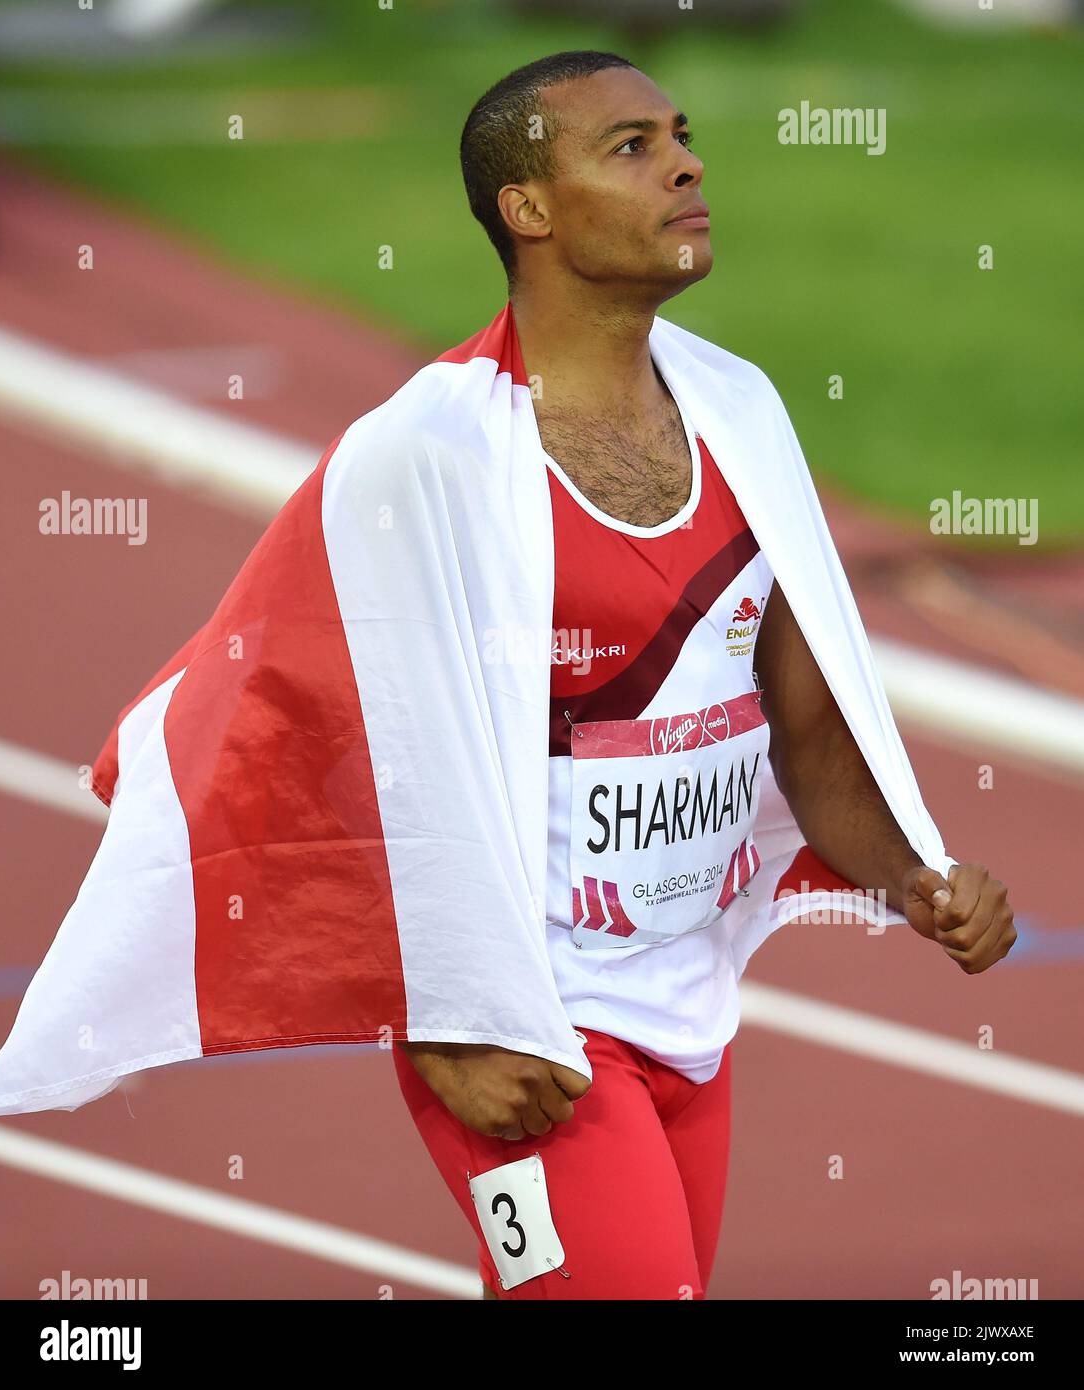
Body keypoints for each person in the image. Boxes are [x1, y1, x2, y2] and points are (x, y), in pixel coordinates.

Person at [391, 50, 1017, 1301]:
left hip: (687, 1006)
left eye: (677, 136)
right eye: (627, 147)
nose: (683, 164)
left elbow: (808, 738)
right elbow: (349, 749)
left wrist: (914, 879)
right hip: (526, 1026)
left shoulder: (740, 411)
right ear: (528, 209)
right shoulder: (433, 453)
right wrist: (441, 1023)